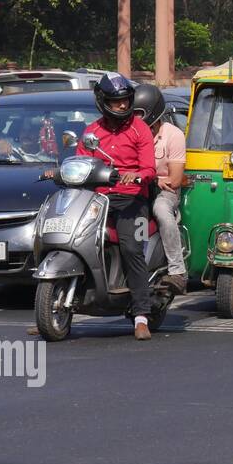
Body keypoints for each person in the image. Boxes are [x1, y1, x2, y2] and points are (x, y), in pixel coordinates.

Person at [77, 73, 156, 340]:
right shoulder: (92, 132)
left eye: (125, 100)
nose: (122, 105)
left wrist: (135, 176)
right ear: (103, 101)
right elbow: (81, 163)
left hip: (132, 199)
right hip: (96, 199)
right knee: (71, 238)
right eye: (116, 101)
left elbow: (148, 168)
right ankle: (56, 309)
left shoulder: (139, 129)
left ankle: (141, 316)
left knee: (132, 248)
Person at [134, 84, 187, 294]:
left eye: (141, 114)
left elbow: (174, 180)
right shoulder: (130, 133)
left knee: (162, 213)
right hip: (135, 187)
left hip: (164, 192)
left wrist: (152, 179)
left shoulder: (173, 135)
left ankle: (177, 270)